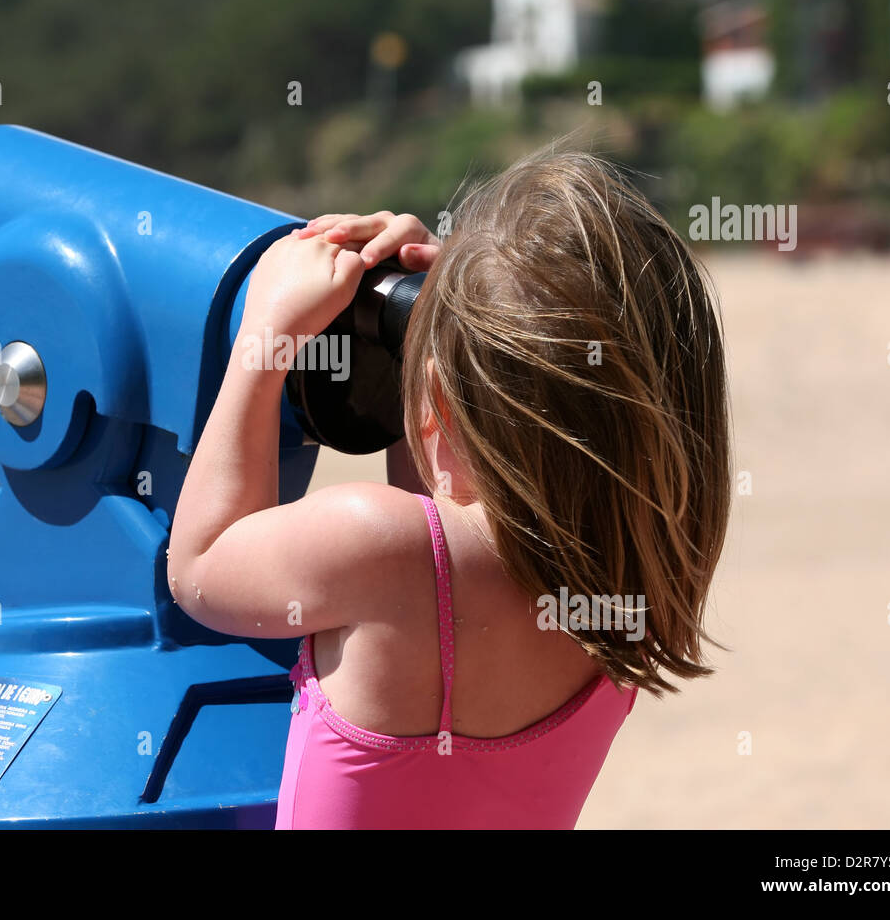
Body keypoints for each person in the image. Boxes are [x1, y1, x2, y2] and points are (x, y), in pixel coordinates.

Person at [167, 148, 732, 828]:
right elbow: (447, 529)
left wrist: (268, 334)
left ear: (431, 400)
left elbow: (201, 565)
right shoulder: (626, 591)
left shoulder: (376, 547)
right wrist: (428, 331)